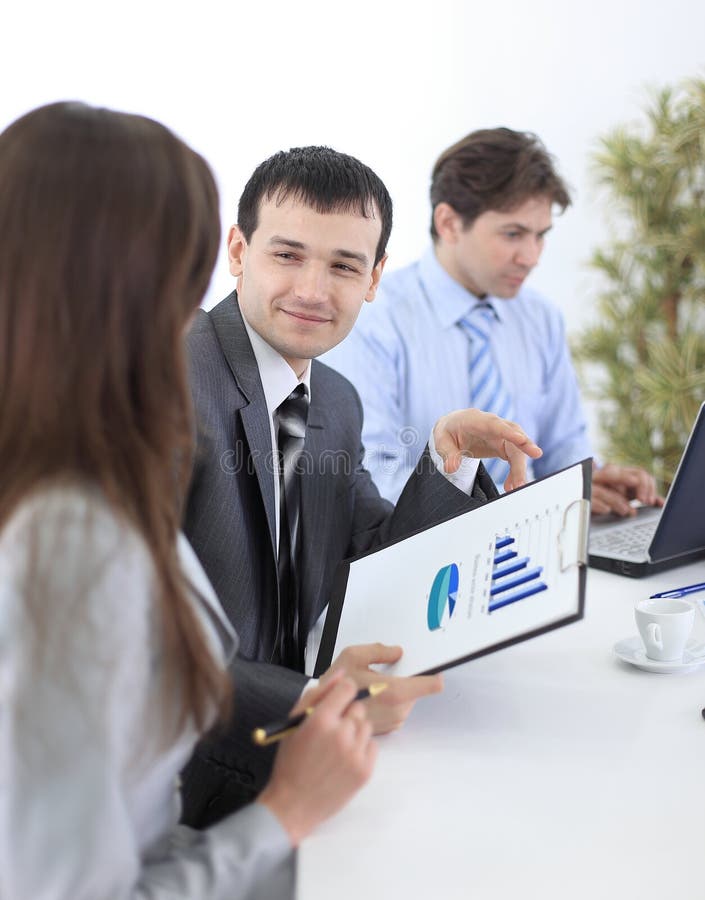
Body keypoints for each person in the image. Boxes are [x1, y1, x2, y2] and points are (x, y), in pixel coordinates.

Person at [0, 102, 380, 899]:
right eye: (185, 270)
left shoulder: (70, 448)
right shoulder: (72, 531)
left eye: (344, 264)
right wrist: (285, 809)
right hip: (212, 811)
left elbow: (364, 535)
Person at [181, 145, 543, 826]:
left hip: (306, 773)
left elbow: (374, 555)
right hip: (189, 786)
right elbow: (138, 642)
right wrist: (321, 701)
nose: (314, 290)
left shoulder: (335, 401)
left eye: (344, 265)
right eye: (286, 255)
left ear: (374, 278)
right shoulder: (168, 379)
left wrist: (449, 459)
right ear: (237, 250)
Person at [323, 127, 661, 514]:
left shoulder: (540, 318)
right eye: (514, 234)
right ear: (449, 223)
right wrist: (522, 503)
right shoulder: (374, 319)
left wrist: (589, 478)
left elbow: (563, 446)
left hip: (541, 537)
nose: (531, 256)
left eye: (540, 235)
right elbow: (377, 483)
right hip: (429, 550)